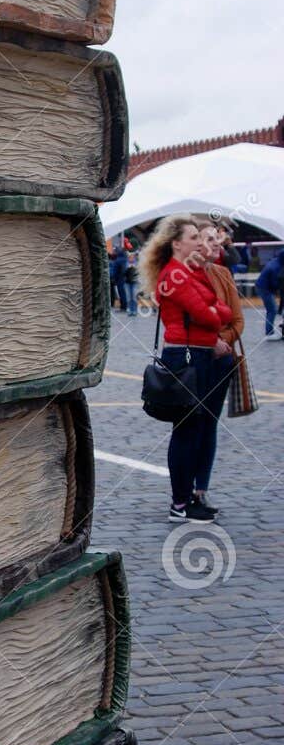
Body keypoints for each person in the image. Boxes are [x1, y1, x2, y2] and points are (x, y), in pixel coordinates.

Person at [140, 215, 234, 522]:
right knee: (187, 429)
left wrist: (213, 310)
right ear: (176, 243)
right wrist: (213, 311)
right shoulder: (174, 276)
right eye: (194, 237)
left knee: (198, 428)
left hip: (202, 354)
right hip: (187, 356)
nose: (200, 241)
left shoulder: (189, 272)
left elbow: (222, 309)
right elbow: (208, 316)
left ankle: (189, 497)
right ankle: (179, 503)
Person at [193, 217, 242, 512]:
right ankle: (182, 493)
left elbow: (238, 319)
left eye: (217, 239)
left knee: (209, 424)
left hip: (221, 362)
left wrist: (223, 339)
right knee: (188, 426)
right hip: (192, 361)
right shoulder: (180, 275)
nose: (216, 244)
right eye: (209, 239)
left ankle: (201, 489)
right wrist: (210, 340)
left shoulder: (223, 274)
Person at [255, 248, 284, 338]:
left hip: (263, 286)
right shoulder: (276, 268)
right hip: (264, 288)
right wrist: (279, 290)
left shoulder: (277, 261)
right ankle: (269, 332)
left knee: (272, 309)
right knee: (272, 310)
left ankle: (270, 331)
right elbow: (275, 283)